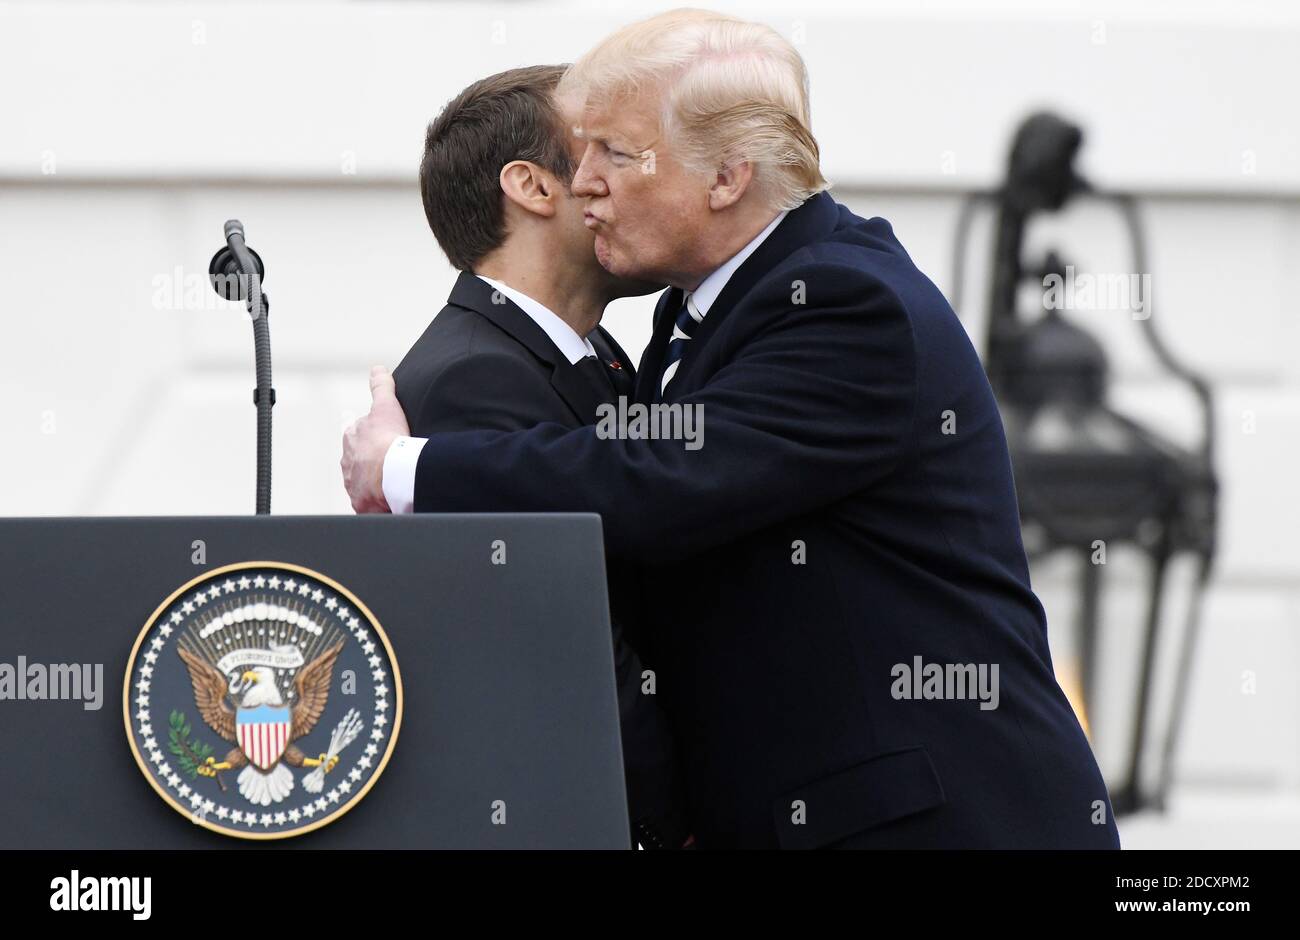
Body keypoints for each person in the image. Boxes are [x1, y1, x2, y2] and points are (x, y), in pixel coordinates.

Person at [344, 10, 1120, 849]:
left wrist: (405, 470)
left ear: (726, 177)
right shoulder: (702, 307)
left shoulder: (844, 302)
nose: (587, 181)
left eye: (615, 152)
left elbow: (660, 478)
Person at [387, 64, 686, 849]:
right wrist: (677, 823)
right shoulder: (471, 376)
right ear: (533, 186)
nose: (632, 175)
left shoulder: (597, 353)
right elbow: (568, 639)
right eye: (607, 153)